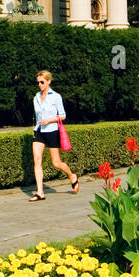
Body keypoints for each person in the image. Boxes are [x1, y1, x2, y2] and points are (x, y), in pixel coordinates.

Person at [30, 69, 79, 201]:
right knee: (37, 160)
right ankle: (40, 192)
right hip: (39, 131)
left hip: (52, 131)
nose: (40, 84)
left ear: (48, 81)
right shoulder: (36, 97)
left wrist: (49, 120)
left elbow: (63, 116)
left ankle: (72, 176)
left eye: (42, 82)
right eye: (38, 82)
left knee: (56, 163)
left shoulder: (56, 97)